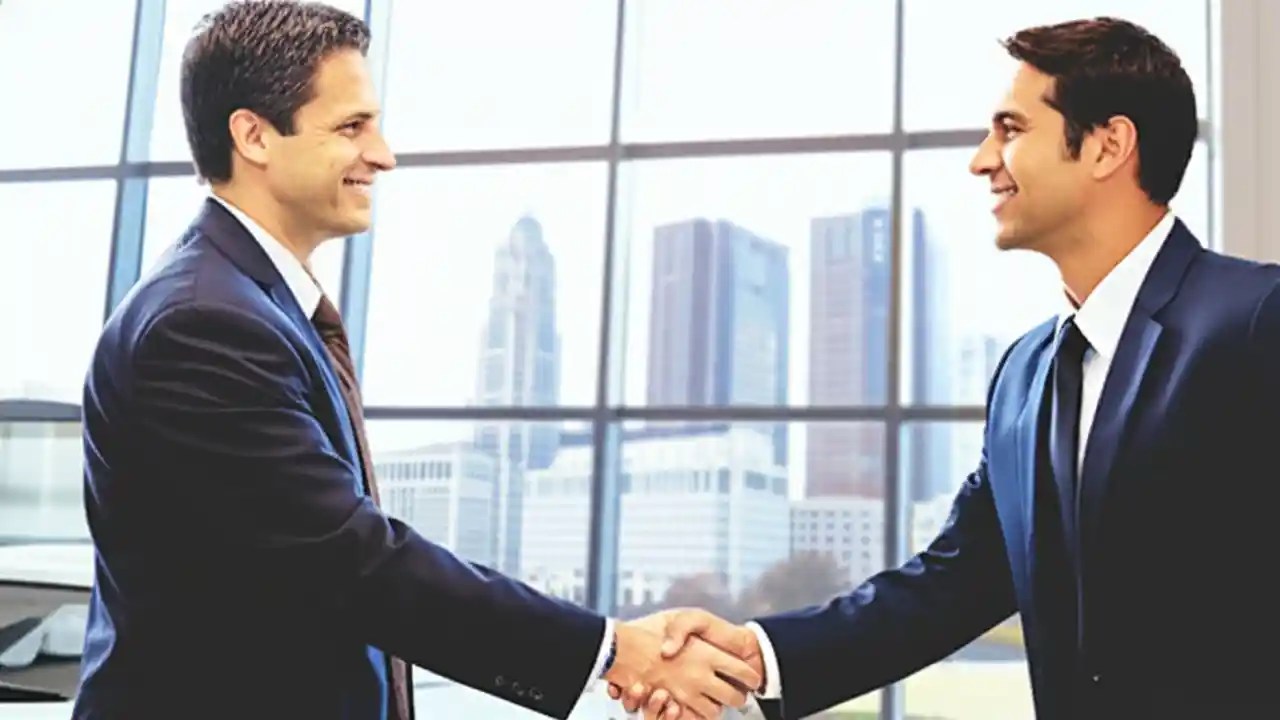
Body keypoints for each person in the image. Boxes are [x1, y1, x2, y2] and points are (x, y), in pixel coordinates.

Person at [72, 2, 759, 719]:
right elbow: (354, 561)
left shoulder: (251, 304)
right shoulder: (203, 324)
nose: (383, 154)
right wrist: (613, 651)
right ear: (254, 136)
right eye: (351, 127)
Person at [612, 16, 1280, 720]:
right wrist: (756, 655)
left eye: (1012, 129)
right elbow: (954, 584)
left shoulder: (1257, 320)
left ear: (1108, 145)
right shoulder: (1025, 375)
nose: (982, 160)